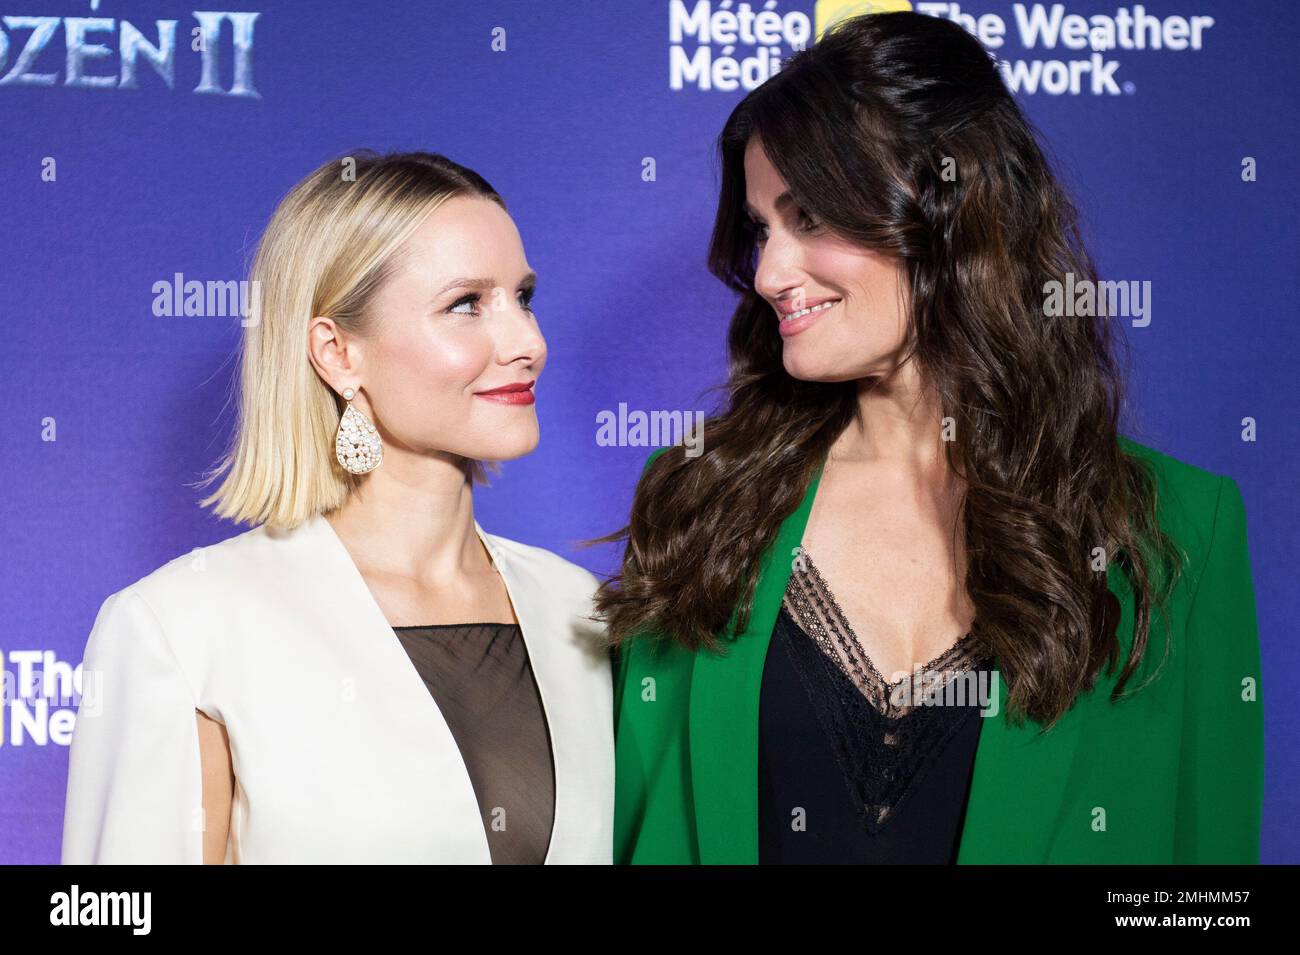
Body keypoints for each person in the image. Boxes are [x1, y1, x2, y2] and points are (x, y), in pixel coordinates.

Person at [597, 12, 1263, 864]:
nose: (767, 273)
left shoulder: (1175, 529)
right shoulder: (702, 504)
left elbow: (1201, 889)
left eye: (808, 218)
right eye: (763, 228)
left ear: (948, 210)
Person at [61, 150, 613, 864]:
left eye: (523, 297)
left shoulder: (580, 612)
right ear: (338, 353)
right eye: (466, 304)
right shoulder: (184, 629)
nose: (528, 342)